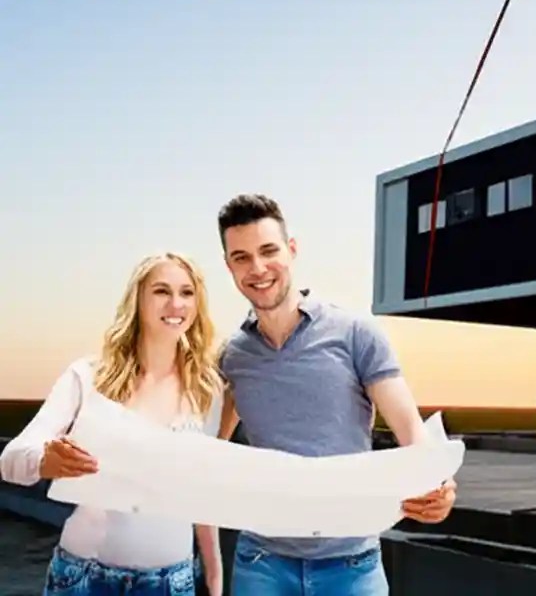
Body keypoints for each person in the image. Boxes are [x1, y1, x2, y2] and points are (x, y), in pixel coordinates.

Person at [214, 193, 457, 595]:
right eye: (241, 257)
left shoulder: (356, 334)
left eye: (269, 251)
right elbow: (205, 448)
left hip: (352, 565)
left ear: (292, 250)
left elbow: (411, 431)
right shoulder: (232, 357)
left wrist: (438, 483)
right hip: (262, 564)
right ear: (229, 266)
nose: (257, 268)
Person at [0, 252, 227, 595]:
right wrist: (45, 460)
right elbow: (10, 459)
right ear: (138, 299)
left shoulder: (207, 389)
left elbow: (201, 491)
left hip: (171, 583)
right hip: (83, 579)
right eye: (161, 291)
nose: (176, 304)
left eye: (186, 292)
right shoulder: (89, 376)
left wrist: (214, 577)